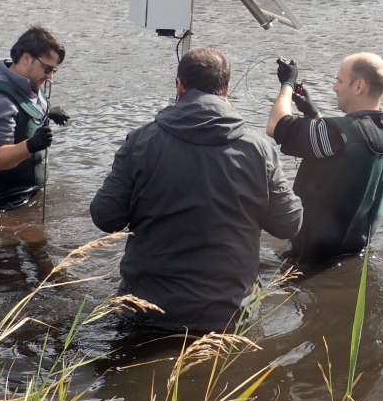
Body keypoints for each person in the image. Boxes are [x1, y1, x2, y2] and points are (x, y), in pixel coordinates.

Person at [90, 47, 303, 332]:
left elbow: (105, 217)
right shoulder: (259, 149)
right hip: (230, 314)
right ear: (226, 88)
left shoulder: (141, 141)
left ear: (179, 85)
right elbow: (289, 224)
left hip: (148, 310)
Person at [266, 52, 383, 264]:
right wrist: (313, 114)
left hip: (311, 256)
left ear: (359, 86)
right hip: (351, 250)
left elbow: (275, 126)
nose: (334, 87)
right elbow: (344, 147)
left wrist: (287, 85)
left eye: (339, 81)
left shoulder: (337, 133)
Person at [0, 25, 71, 211]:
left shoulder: (29, 84)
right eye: (47, 69)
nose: (51, 77)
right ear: (26, 58)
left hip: (28, 195)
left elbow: (21, 112)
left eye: (54, 70)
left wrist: (46, 112)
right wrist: (32, 145)